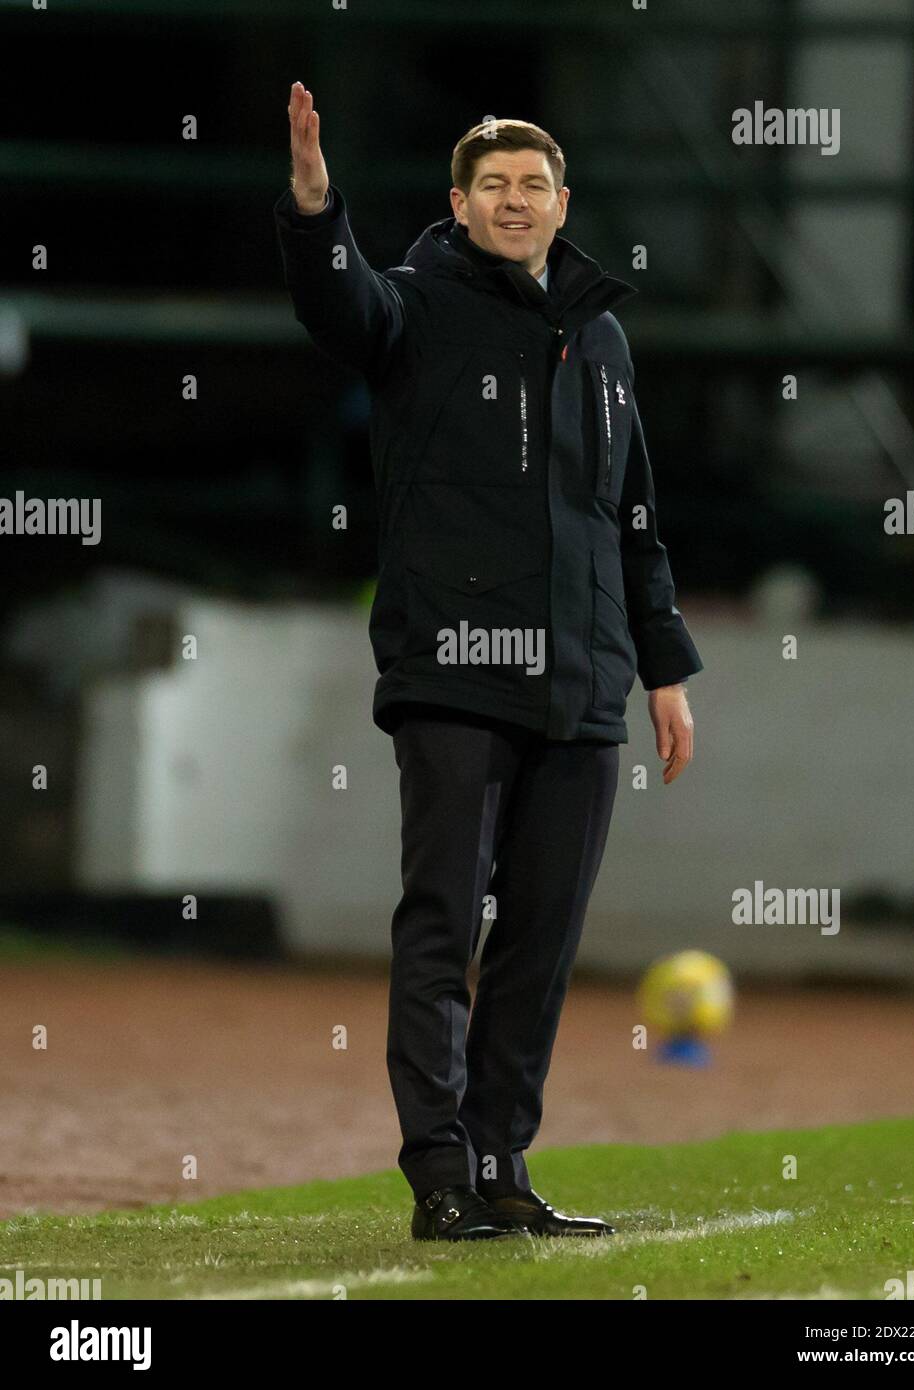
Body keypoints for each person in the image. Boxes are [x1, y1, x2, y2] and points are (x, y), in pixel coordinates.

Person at [274, 83, 703, 1241]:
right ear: (458, 205)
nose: (515, 201)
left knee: (539, 939)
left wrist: (661, 668)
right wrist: (314, 207)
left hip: (584, 683)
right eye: (494, 186)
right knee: (443, 925)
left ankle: (504, 1160)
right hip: (454, 670)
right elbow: (338, 302)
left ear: (563, 204)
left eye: (533, 185)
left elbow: (632, 517)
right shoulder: (412, 304)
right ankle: (441, 1173)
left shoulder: (601, 334)